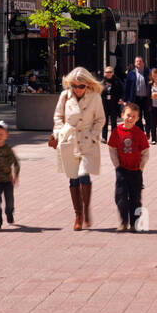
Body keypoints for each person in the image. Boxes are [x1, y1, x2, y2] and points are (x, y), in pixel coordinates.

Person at [53, 66, 106, 230]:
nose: (77, 89)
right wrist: (60, 134)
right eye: (74, 85)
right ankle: (78, 214)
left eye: (81, 86)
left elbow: (100, 119)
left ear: (88, 85)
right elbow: (57, 116)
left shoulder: (95, 97)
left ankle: (86, 209)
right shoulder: (65, 96)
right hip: (70, 140)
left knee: (84, 175)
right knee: (73, 178)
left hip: (87, 141)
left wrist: (94, 135)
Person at [108, 102, 150, 232]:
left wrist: (140, 168)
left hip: (136, 171)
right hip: (122, 171)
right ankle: (123, 221)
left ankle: (134, 222)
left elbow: (145, 153)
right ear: (122, 115)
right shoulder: (116, 132)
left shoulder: (139, 133)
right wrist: (117, 166)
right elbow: (112, 149)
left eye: (133, 116)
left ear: (137, 119)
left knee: (135, 198)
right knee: (120, 196)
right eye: (128, 115)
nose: (130, 118)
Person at [101, 64, 124, 140]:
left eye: (110, 72)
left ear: (112, 73)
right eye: (107, 72)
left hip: (114, 103)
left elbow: (122, 91)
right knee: (105, 121)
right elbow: (99, 92)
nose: (108, 73)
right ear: (104, 73)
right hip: (105, 103)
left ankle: (114, 138)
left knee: (114, 122)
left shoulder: (117, 81)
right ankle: (104, 137)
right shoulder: (102, 82)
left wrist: (121, 99)